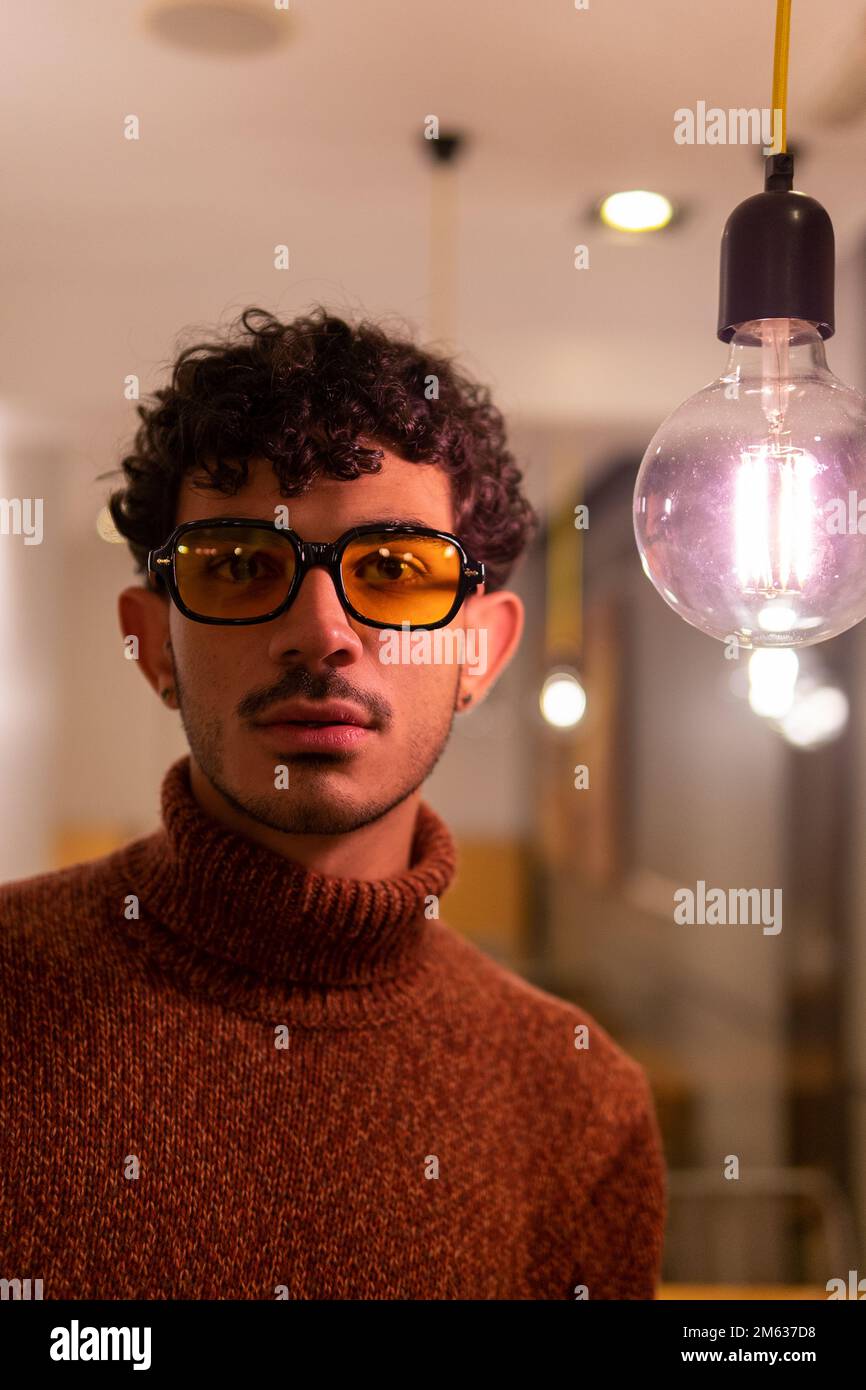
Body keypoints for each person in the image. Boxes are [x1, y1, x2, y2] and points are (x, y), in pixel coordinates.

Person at [0, 307, 666, 1299]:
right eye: (237, 566)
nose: (322, 631)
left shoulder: (576, 1103)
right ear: (151, 645)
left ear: (477, 652)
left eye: (393, 571)